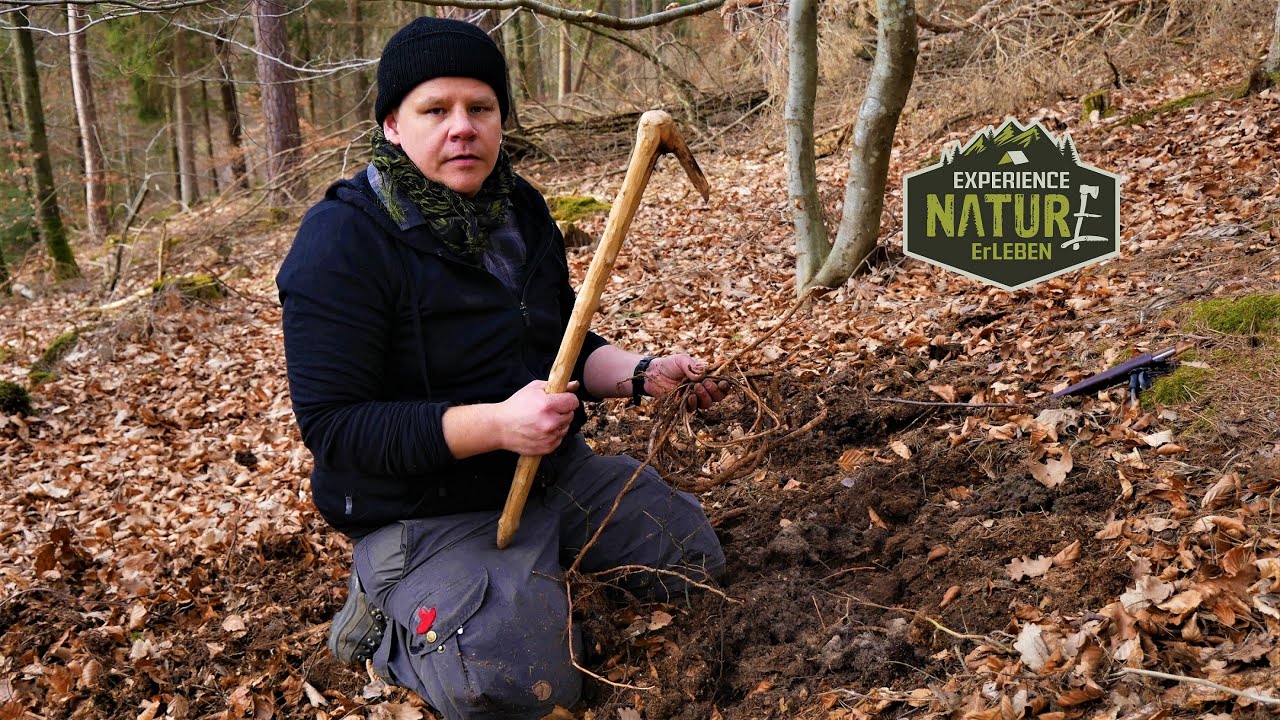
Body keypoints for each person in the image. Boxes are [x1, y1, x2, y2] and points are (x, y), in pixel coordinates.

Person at [276, 17, 728, 720]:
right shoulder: (341, 242)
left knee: (692, 557)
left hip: (549, 474)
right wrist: (496, 426)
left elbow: (561, 339)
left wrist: (640, 374)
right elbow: (337, 428)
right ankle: (387, 611)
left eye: (480, 108)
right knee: (519, 686)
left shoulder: (518, 210)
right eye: (436, 110)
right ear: (393, 124)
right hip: (425, 512)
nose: (462, 127)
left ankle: (534, 577)